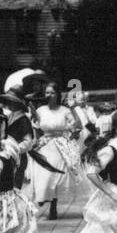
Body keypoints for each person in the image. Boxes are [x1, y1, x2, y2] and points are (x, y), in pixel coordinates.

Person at [30, 83, 80, 219]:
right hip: (44, 144)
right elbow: (36, 126)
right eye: (47, 92)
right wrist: (36, 139)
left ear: (57, 94)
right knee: (44, 174)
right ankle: (44, 199)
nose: (49, 95)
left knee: (55, 175)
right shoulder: (40, 110)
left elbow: (76, 125)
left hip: (59, 144)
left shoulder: (64, 110)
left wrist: (73, 109)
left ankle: (53, 205)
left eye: (52, 92)